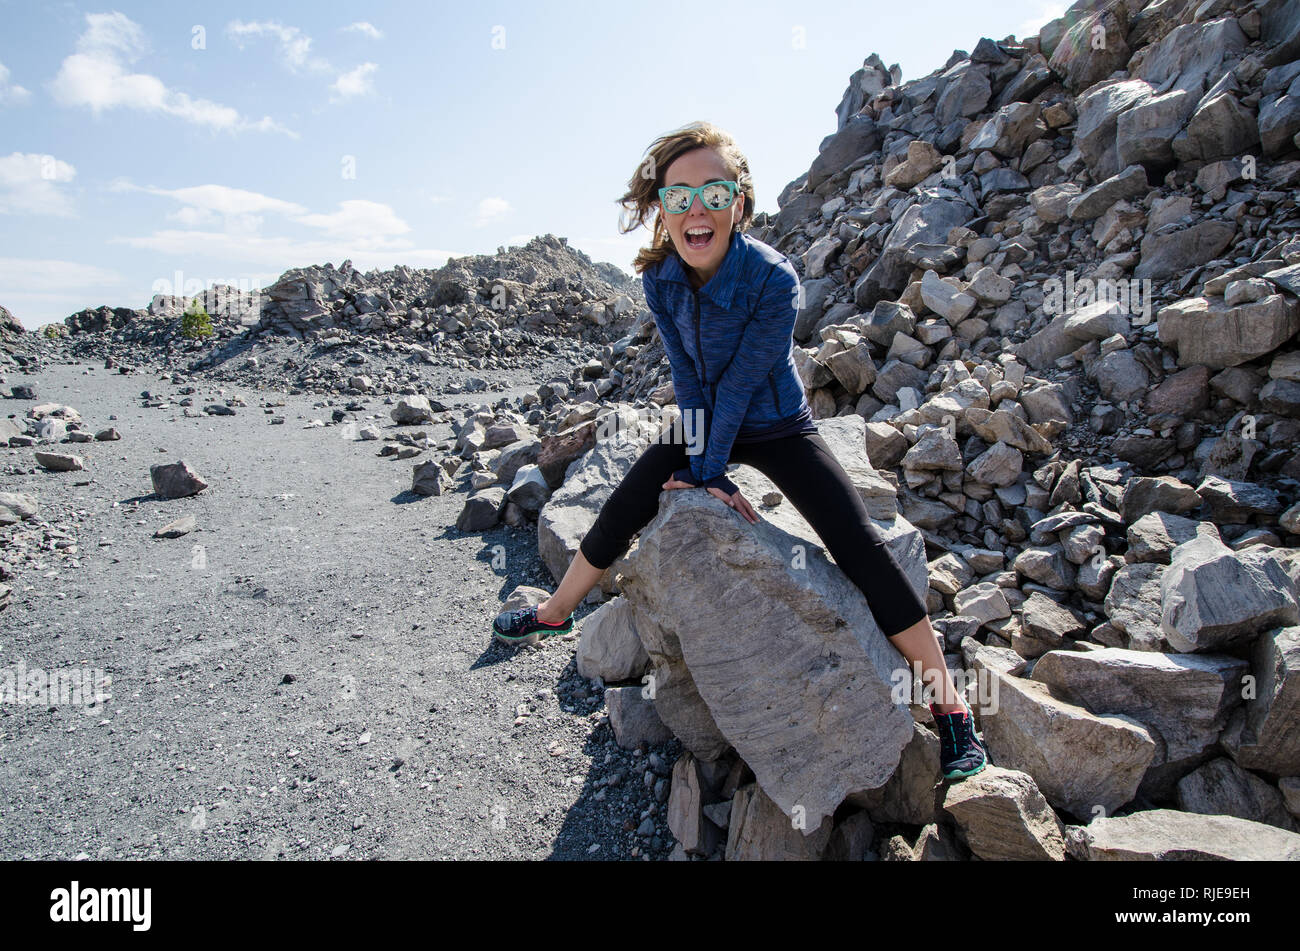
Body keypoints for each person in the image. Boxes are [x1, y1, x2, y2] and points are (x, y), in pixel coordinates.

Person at [493, 120, 985, 780]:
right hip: (704, 416)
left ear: (740, 205)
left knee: (858, 544)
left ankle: (952, 710)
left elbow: (740, 386)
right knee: (630, 496)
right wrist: (702, 467)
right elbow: (692, 380)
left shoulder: (774, 280)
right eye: (679, 197)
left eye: (713, 193)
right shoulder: (662, 279)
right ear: (661, 209)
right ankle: (556, 610)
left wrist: (708, 471)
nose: (697, 209)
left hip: (779, 424)